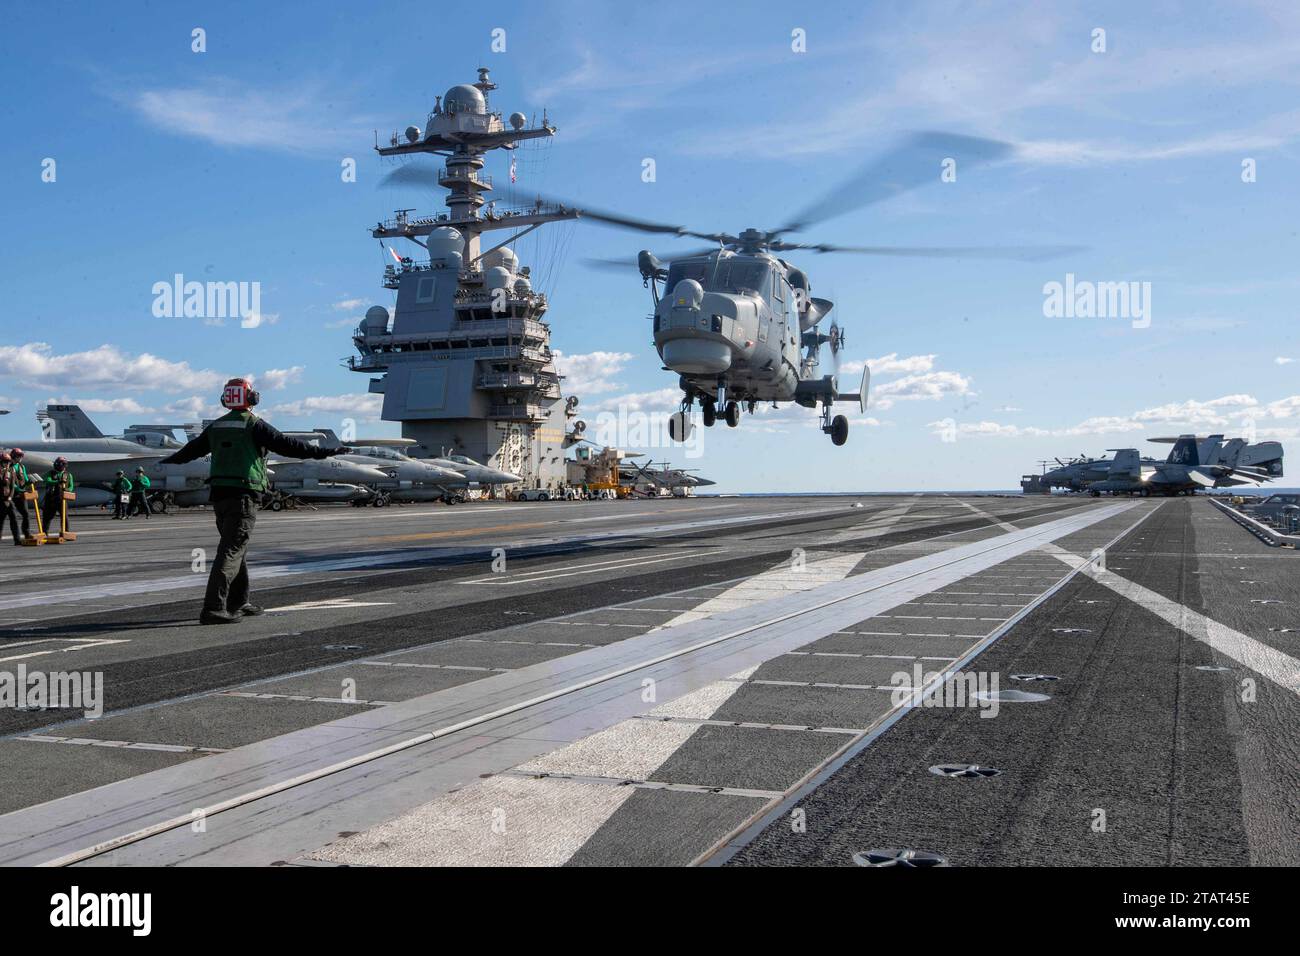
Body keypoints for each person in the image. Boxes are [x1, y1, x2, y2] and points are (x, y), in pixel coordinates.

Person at [160, 377, 350, 625]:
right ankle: (213, 608)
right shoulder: (253, 425)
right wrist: (327, 451)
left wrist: (165, 462)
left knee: (238, 548)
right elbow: (290, 446)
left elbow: (189, 452)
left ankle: (239, 602)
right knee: (231, 551)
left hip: (219, 495)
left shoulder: (216, 426)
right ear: (251, 398)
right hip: (243, 494)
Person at [40, 456, 74, 537]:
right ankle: (45, 533)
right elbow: (47, 480)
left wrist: (67, 491)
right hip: (50, 498)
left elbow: (71, 486)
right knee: (47, 517)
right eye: (60, 464)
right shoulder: (50, 473)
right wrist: (58, 481)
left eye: (63, 464)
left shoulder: (68, 475)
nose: (61, 466)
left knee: (64, 517)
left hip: (62, 499)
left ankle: (66, 533)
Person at [7, 448, 32, 543]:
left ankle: (27, 534)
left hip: (20, 495)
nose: (21, 458)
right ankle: (17, 539)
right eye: (19, 456)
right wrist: (18, 488)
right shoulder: (8, 467)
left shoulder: (22, 466)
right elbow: (9, 482)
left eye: (21, 456)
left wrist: (29, 482)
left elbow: (25, 478)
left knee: (26, 514)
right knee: (13, 517)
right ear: (13, 456)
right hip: (11, 495)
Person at [1, 452, 22, 544]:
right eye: (5, 461)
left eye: (8, 461)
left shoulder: (11, 471)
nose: (7, 463)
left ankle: (17, 540)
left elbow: (12, 487)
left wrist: (9, 498)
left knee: (14, 518)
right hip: (0, 500)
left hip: (8, 499)